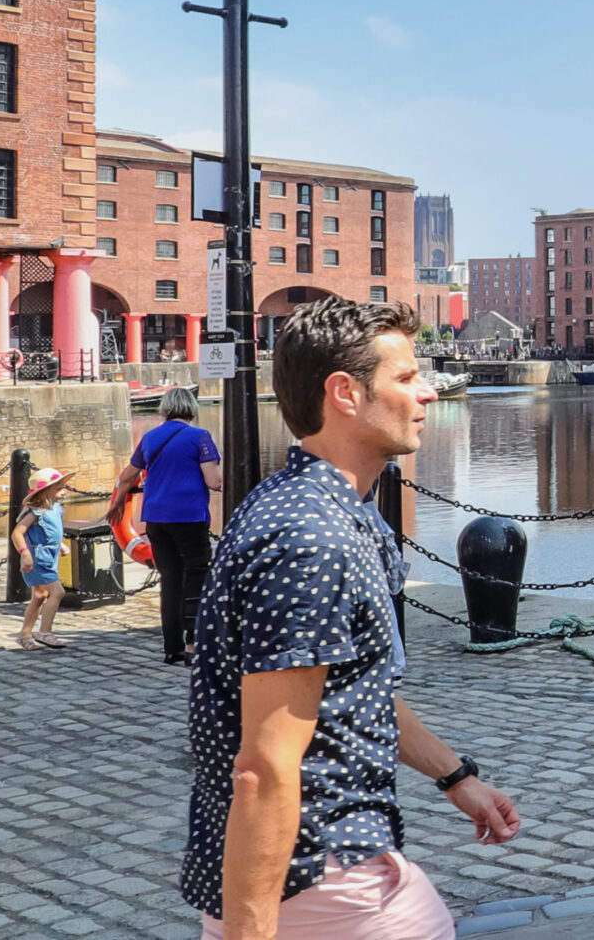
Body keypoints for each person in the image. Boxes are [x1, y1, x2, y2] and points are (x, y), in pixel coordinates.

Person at [184, 297, 518, 940]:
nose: (426, 393)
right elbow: (264, 767)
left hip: (332, 868)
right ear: (345, 393)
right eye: (404, 377)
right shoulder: (311, 538)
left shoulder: (332, 511)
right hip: (320, 876)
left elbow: (350, 691)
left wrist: (455, 776)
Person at [105, 387, 223, 665]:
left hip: (156, 519)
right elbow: (214, 481)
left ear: (165, 409)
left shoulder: (150, 437)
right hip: (189, 518)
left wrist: (118, 504)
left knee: (170, 582)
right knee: (196, 578)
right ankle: (193, 645)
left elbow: (127, 476)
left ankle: (172, 648)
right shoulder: (200, 437)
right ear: (192, 409)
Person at [13, 467, 72, 652]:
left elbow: (52, 532)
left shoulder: (55, 508)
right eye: (58, 487)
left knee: (40, 596)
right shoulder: (35, 511)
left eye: (64, 486)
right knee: (57, 592)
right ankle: (44, 632)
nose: (64, 490)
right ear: (45, 491)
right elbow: (17, 533)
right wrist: (25, 554)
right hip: (39, 559)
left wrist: (60, 544)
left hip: (49, 558)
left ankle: (24, 635)